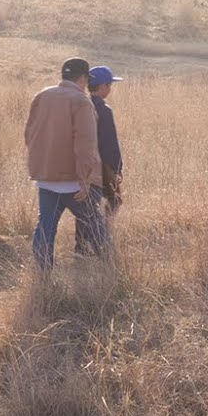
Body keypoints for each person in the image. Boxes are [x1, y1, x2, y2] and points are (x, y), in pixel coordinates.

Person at [25, 57, 108, 269]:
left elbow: (29, 134)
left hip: (45, 177)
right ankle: (110, 270)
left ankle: (42, 278)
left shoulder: (42, 96)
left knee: (45, 228)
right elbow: (85, 144)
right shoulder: (81, 101)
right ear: (83, 78)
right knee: (94, 225)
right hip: (74, 181)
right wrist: (85, 178)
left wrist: (40, 164)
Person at [74, 65, 123, 256]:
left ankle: (81, 247)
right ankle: (102, 237)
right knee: (114, 201)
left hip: (83, 165)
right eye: (109, 85)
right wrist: (117, 168)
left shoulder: (82, 105)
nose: (110, 89)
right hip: (103, 166)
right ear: (102, 86)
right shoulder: (104, 109)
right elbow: (110, 143)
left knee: (87, 205)